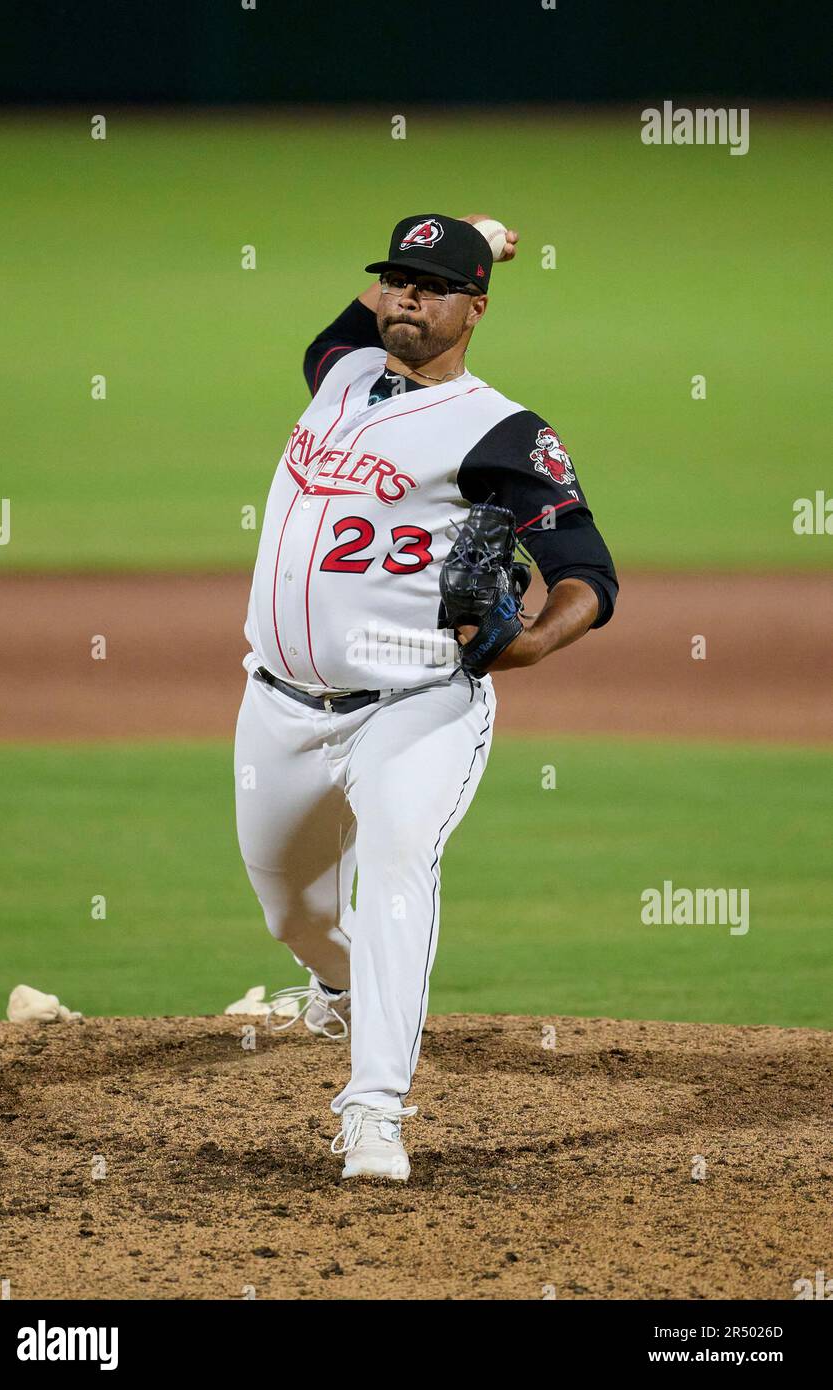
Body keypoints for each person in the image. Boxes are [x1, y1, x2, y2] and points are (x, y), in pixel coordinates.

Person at [234, 212, 618, 1181]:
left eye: (434, 285)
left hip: (417, 703)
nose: (405, 297)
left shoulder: (500, 430)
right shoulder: (342, 372)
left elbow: (586, 572)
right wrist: (471, 231)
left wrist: (528, 643)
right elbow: (353, 317)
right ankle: (337, 981)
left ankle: (372, 1115)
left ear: (474, 311)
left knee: (397, 866)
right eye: (396, 281)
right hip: (276, 706)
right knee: (293, 916)